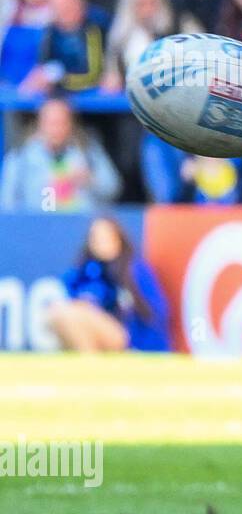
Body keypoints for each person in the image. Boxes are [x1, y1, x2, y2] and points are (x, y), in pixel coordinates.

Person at [47, 217, 170, 353]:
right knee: (58, 314)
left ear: (118, 239)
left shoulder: (134, 270)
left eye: (106, 237)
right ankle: (86, 363)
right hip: (96, 330)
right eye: (96, 237)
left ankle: (90, 365)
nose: (101, 242)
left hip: (130, 339)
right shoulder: (87, 271)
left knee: (68, 313)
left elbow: (157, 312)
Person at [0, 97, 121, 212]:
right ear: (40, 124)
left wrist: (91, 180)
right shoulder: (21, 157)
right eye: (51, 123)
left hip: (80, 226)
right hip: (37, 226)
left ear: (71, 124)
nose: (56, 129)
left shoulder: (87, 151)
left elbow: (113, 189)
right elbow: (7, 203)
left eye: (61, 123)